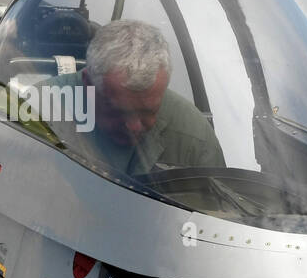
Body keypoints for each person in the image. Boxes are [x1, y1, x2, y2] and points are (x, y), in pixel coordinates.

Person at [43, 20, 224, 174]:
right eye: (120, 112)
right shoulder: (36, 114)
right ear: (88, 84)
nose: (134, 126)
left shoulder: (195, 140)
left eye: (148, 112)